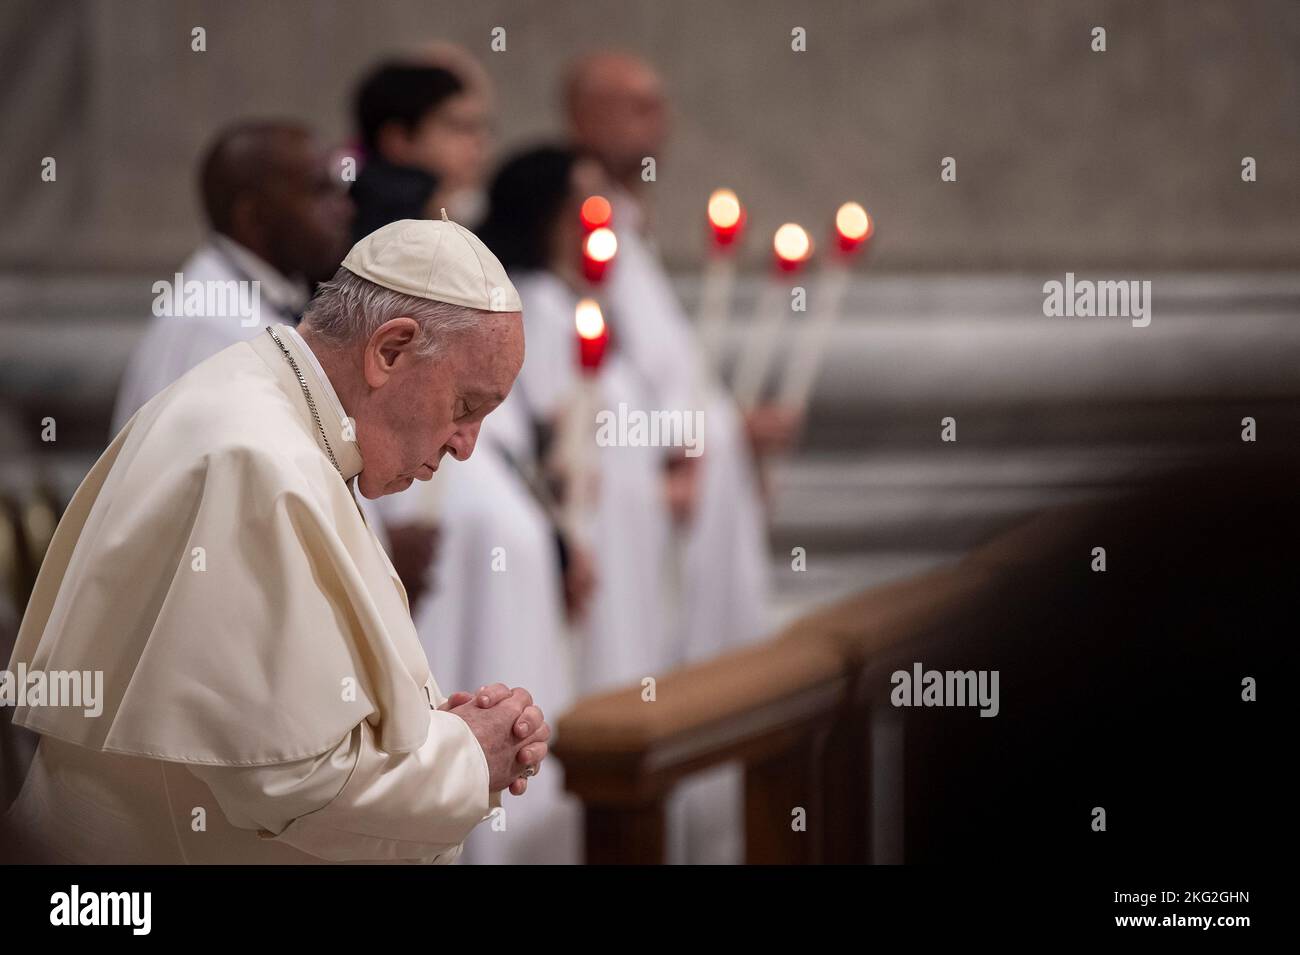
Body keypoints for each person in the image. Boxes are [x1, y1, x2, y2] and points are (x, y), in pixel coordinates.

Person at [2, 218, 550, 864]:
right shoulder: (255, 459)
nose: (466, 445)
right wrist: (468, 756)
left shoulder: (274, 409)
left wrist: (431, 730)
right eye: (465, 405)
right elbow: (294, 778)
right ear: (390, 350)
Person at [478, 146, 675, 697]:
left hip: (625, 527)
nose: (602, 214)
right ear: (548, 214)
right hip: (585, 528)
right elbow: (545, 431)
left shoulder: (578, 304)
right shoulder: (535, 306)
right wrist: (565, 539)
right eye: (584, 203)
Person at [111, 121, 352, 435]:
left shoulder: (251, 292)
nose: (345, 208)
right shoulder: (217, 331)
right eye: (320, 191)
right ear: (254, 216)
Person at [350, 61, 492, 242]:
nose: (479, 141)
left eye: (480, 128)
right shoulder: (386, 222)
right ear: (398, 140)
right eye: (458, 127)